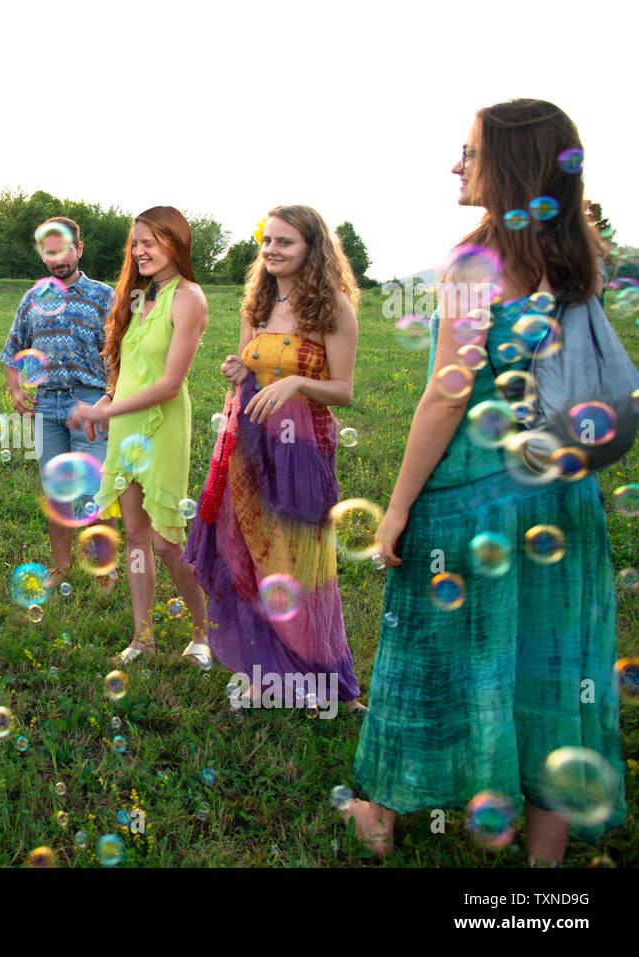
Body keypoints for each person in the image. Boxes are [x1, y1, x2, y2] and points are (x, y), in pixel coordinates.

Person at [343, 99, 626, 860]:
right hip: (563, 491)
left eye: (468, 152)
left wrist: (397, 507)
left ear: (510, 165)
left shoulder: (476, 262)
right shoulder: (580, 255)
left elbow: (446, 394)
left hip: (475, 493)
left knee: (427, 646)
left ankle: (380, 814)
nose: (457, 166)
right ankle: (544, 861)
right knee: (551, 661)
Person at [183, 205, 366, 714]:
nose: (271, 251)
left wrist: (298, 381)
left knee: (302, 565)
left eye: (285, 242)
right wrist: (237, 367)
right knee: (251, 551)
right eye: (267, 241)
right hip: (250, 444)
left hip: (302, 451)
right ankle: (266, 673)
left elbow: (343, 390)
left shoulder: (331, 307)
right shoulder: (257, 302)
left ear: (312, 248)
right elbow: (247, 366)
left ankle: (330, 683)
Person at [69, 206, 209, 664]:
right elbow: (131, 370)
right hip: (126, 421)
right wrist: (108, 402)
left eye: (150, 241)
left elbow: (168, 383)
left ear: (175, 242)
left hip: (163, 423)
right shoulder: (136, 297)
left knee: (168, 541)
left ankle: (203, 634)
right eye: (136, 242)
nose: (139, 250)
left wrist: (101, 408)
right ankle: (142, 637)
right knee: (134, 535)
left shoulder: (189, 298)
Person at [0, 216, 118, 591]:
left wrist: (109, 400)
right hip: (47, 406)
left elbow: (120, 355)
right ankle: (62, 567)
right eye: (50, 252)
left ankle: (105, 567)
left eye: (66, 249)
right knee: (57, 492)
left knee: (94, 491)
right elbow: (12, 347)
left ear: (79, 249)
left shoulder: (103, 295)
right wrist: (16, 389)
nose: (58, 258)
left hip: (89, 401)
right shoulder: (34, 296)